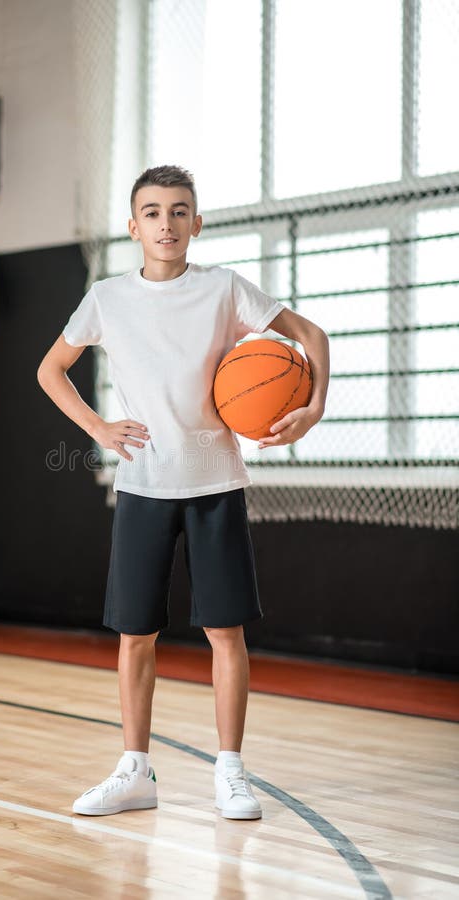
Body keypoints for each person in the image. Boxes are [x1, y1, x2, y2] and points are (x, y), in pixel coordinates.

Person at [37, 164, 329, 819]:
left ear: (196, 223)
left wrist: (310, 410)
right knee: (135, 634)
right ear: (133, 225)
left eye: (178, 211)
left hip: (215, 483)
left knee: (225, 634)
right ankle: (135, 770)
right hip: (143, 485)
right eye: (152, 212)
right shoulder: (108, 299)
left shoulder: (225, 290)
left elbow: (312, 337)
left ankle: (230, 770)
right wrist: (97, 428)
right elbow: (50, 368)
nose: (165, 224)